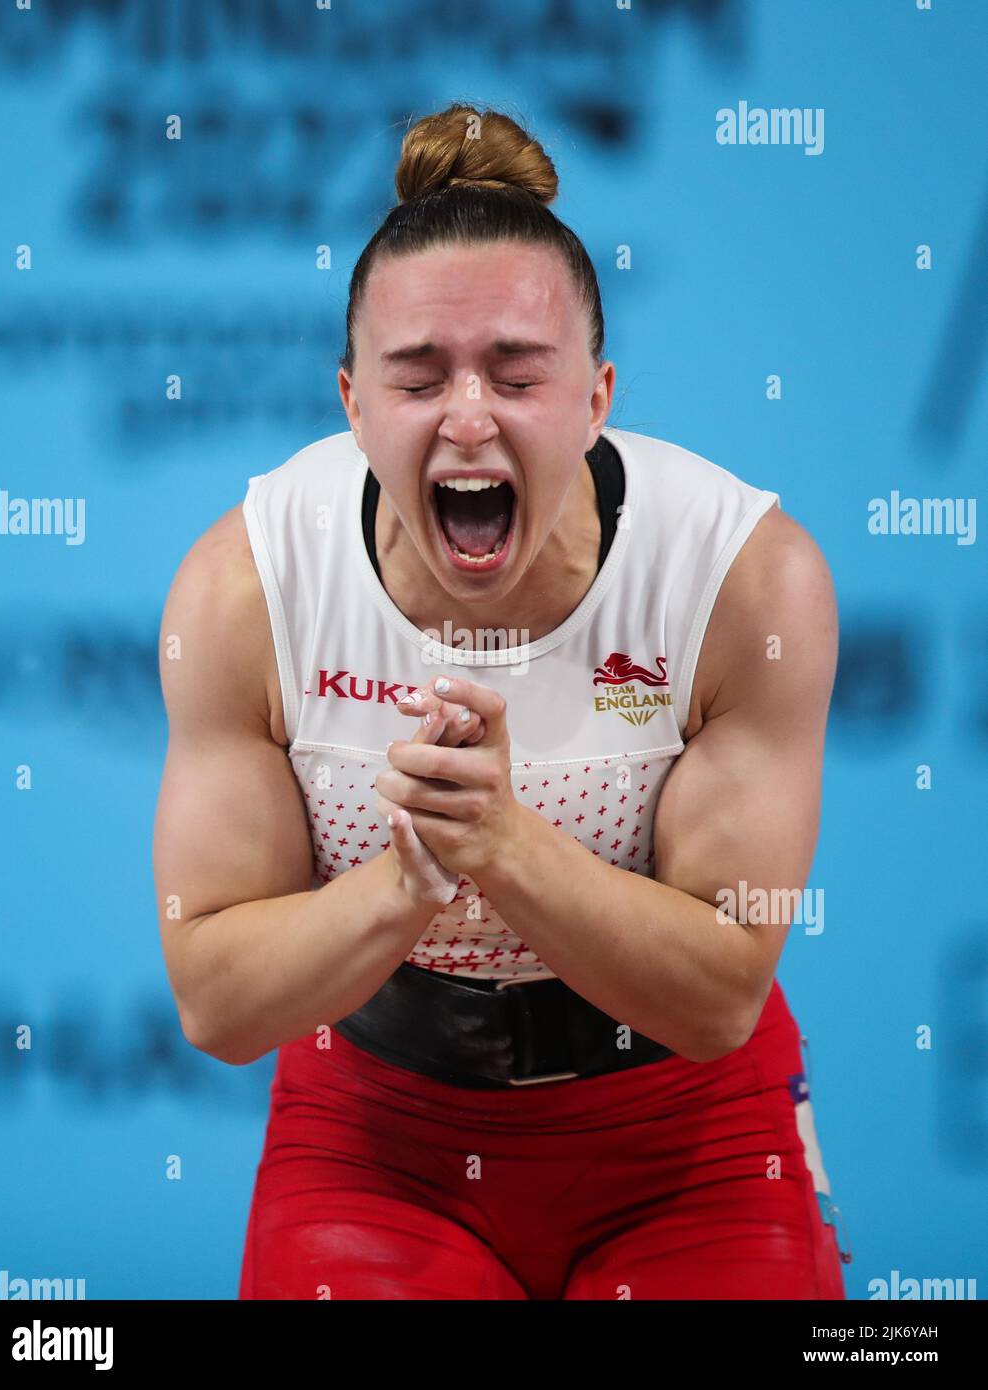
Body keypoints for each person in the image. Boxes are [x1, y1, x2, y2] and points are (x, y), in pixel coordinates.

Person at [152, 102, 847, 1300]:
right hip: (378, 1137)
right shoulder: (245, 587)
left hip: (687, 1138)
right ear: (353, 404)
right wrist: (403, 884)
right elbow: (214, 998)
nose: (468, 416)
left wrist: (507, 846)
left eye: (517, 375)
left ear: (597, 396)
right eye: (418, 378)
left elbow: (722, 993)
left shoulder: (744, 578)